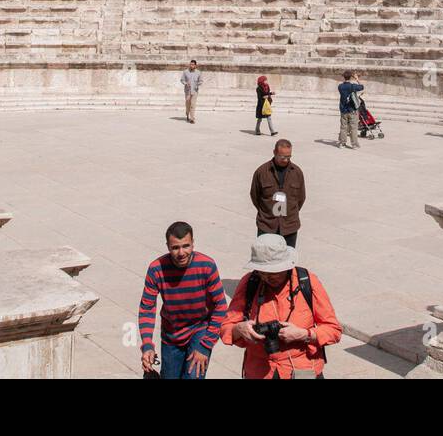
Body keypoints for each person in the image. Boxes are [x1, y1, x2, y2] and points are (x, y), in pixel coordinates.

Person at [219, 234, 342, 379]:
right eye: (262, 273)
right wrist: (239, 329)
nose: (267, 278)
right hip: (260, 371)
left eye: (273, 273)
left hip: (302, 368)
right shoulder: (250, 282)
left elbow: (333, 330)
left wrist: (304, 335)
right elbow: (226, 328)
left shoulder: (307, 281)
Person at [138, 221, 228, 379]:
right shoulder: (156, 269)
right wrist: (147, 345)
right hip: (171, 335)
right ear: (167, 246)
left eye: (186, 246)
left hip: (199, 330)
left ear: (193, 244)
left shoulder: (207, 266)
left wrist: (206, 345)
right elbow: (147, 308)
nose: (181, 253)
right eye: (175, 247)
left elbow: (220, 306)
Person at [250, 139, 304, 247]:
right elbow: (255, 196)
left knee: (288, 260)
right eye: (282, 157)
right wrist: (267, 212)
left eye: (288, 157)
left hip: (289, 226)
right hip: (267, 226)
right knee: (265, 260)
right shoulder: (262, 172)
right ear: (274, 152)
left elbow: (301, 198)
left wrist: (289, 211)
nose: (285, 160)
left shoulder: (297, 172)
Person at [337, 70, 363, 149]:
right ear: (351, 77)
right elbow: (362, 87)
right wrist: (357, 79)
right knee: (353, 128)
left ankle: (342, 143)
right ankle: (354, 145)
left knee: (343, 127)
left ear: (344, 77)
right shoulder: (353, 86)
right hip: (352, 110)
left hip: (343, 110)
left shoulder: (340, 86)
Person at [180, 59, 201, 124]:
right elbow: (182, 80)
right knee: (187, 104)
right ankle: (187, 113)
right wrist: (186, 83)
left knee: (193, 104)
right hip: (187, 91)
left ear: (195, 65)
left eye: (193, 64)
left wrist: (197, 85)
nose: (191, 65)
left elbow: (201, 81)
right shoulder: (185, 72)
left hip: (194, 91)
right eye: (190, 64)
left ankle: (192, 118)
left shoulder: (198, 72)